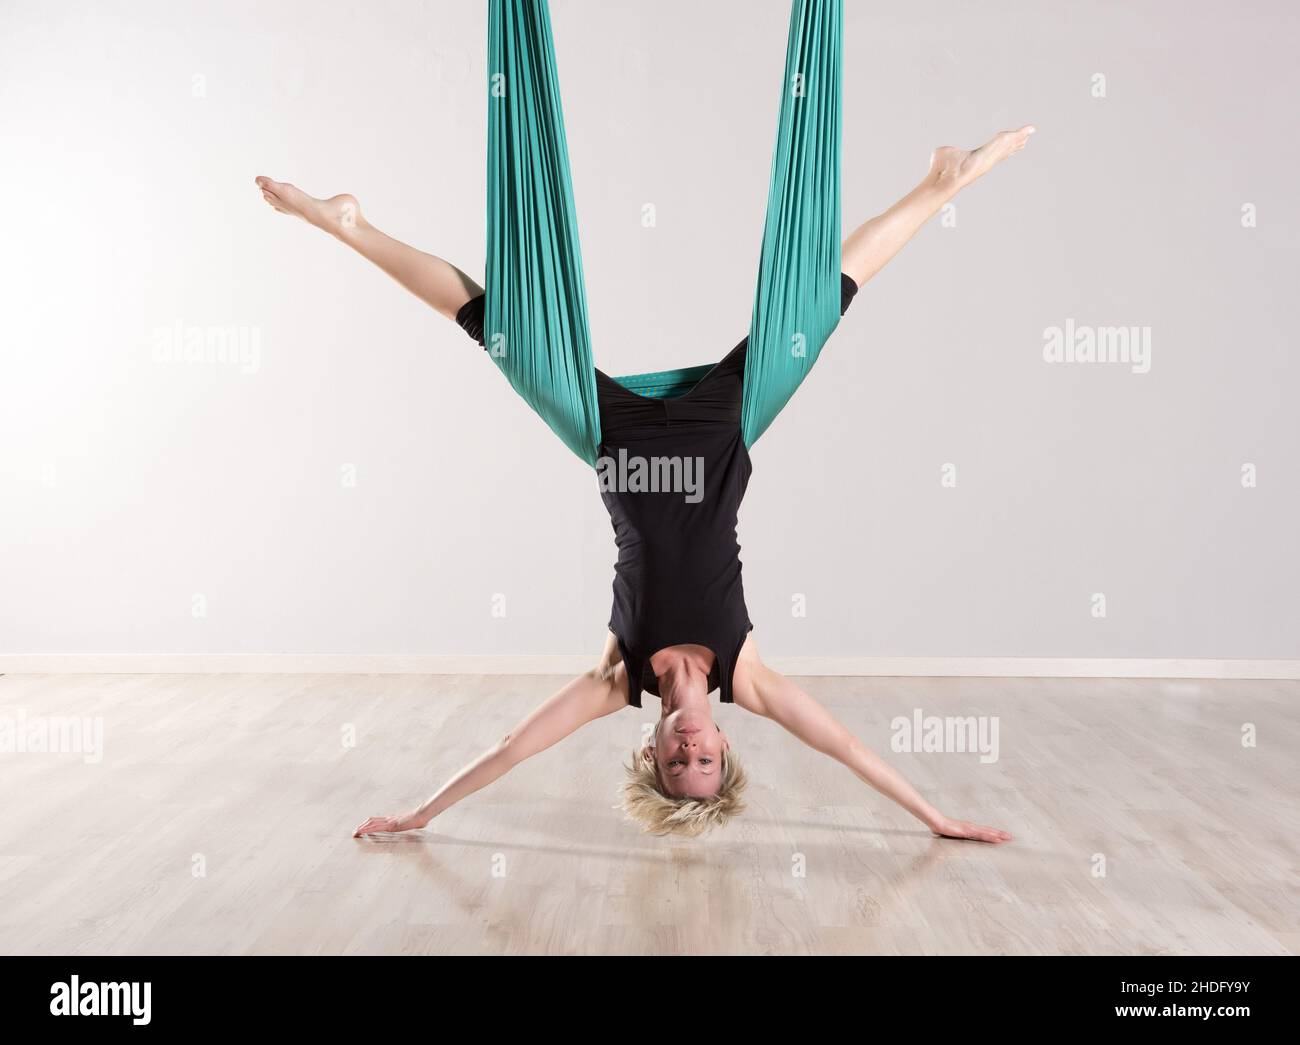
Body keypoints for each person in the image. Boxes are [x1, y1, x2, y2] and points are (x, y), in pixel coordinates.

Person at [256, 124, 1033, 840]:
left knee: (498, 328)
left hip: (615, 437)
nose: (690, 751)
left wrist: (420, 813)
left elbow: (509, 747)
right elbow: (852, 748)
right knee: (816, 307)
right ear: (725, 745)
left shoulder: (613, 675)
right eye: (705, 764)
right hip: (724, 427)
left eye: (674, 764)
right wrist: (939, 818)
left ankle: (346, 223)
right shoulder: (748, 674)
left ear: (651, 747)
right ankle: (941, 184)